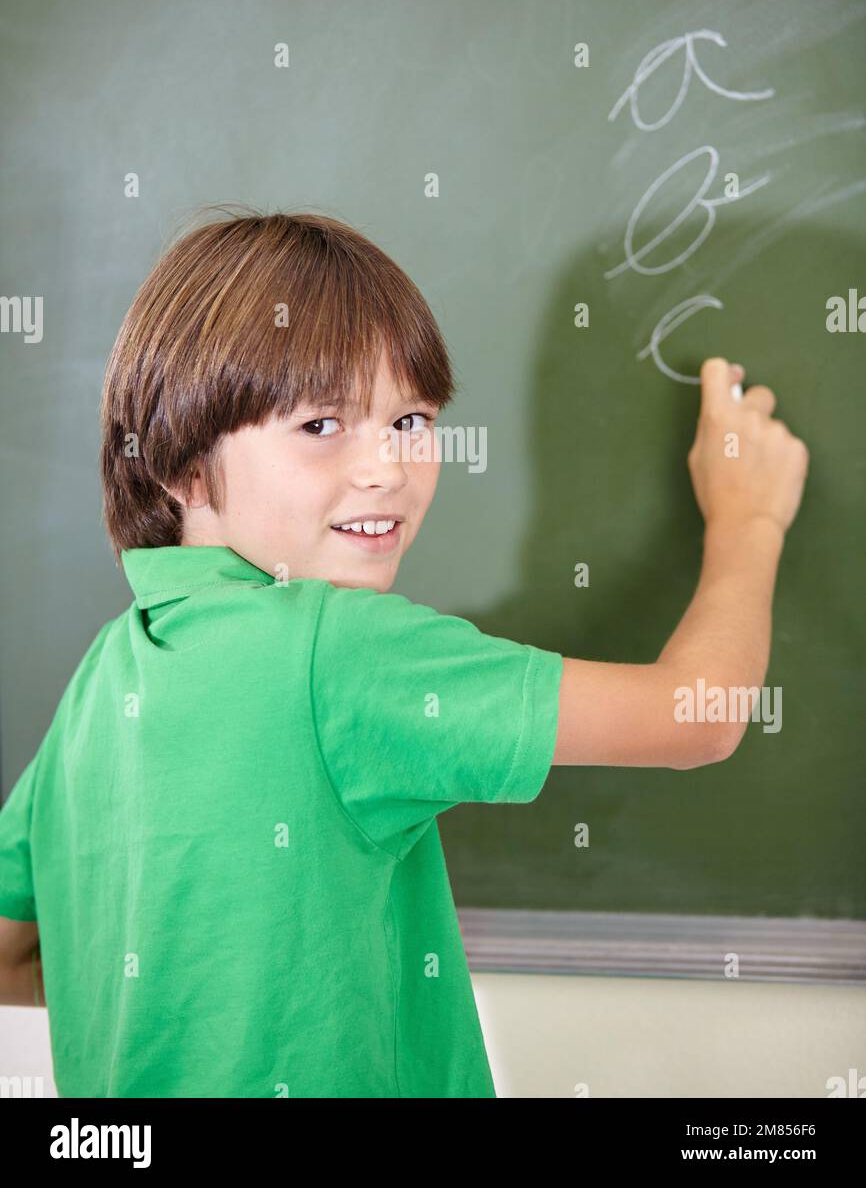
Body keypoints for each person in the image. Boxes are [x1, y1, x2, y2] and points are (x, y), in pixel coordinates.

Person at [0, 209, 809, 1096]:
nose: (388, 465)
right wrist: (748, 521)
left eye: (413, 420)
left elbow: (10, 955)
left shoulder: (102, 684)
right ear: (180, 462)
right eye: (321, 425)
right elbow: (701, 714)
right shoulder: (337, 650)